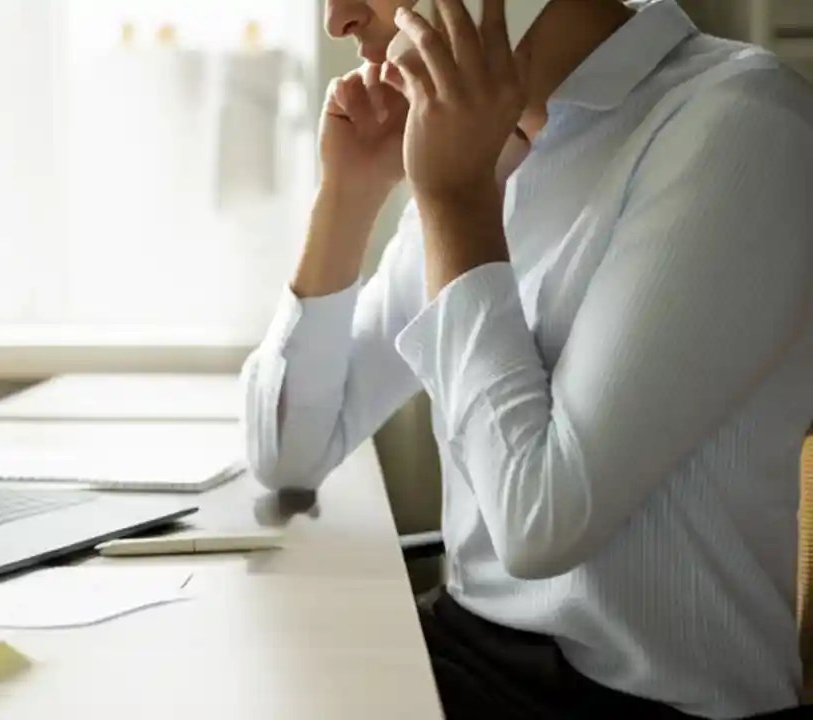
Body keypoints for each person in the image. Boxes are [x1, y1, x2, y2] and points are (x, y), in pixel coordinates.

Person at [240, 0, 813, 717]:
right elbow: (286, 452)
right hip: (468, 650)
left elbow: (541, 524)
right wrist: (349, 195)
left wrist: (454, 199)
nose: (338, 19)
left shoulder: (741, 126)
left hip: (637, 702)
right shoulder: (487, 141)